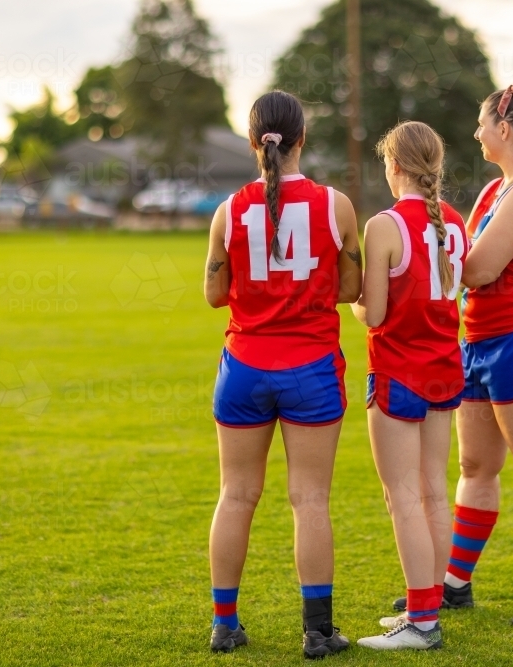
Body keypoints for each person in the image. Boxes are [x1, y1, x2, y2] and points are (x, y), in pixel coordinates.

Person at [392, 78, 513, 625]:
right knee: (475, 466)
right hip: (478, 338)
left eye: (482, 124)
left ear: (505, 127)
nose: (475, 133)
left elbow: (476, 267)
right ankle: (455, 584)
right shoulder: (494, 190)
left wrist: (425, 262)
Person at [203, 90, 362, 657]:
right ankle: (318, 631)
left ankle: (225, 624)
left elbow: (213, 294)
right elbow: (350, 289)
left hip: (244, 367)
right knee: (311, 500)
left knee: (237, 494)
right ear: (302, 140)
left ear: (253, 142)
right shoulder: (335, 205)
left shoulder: (228, 209)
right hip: (311, 368)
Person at [352, 121, 468, 650]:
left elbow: (373, 312)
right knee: (432, 492)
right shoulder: (456, 223)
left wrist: (351, 299)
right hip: (444, 368)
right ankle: (428, 603)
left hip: (399, 371)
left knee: (402, 496)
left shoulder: (383, 225)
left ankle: (422, 622)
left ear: (393, 165)